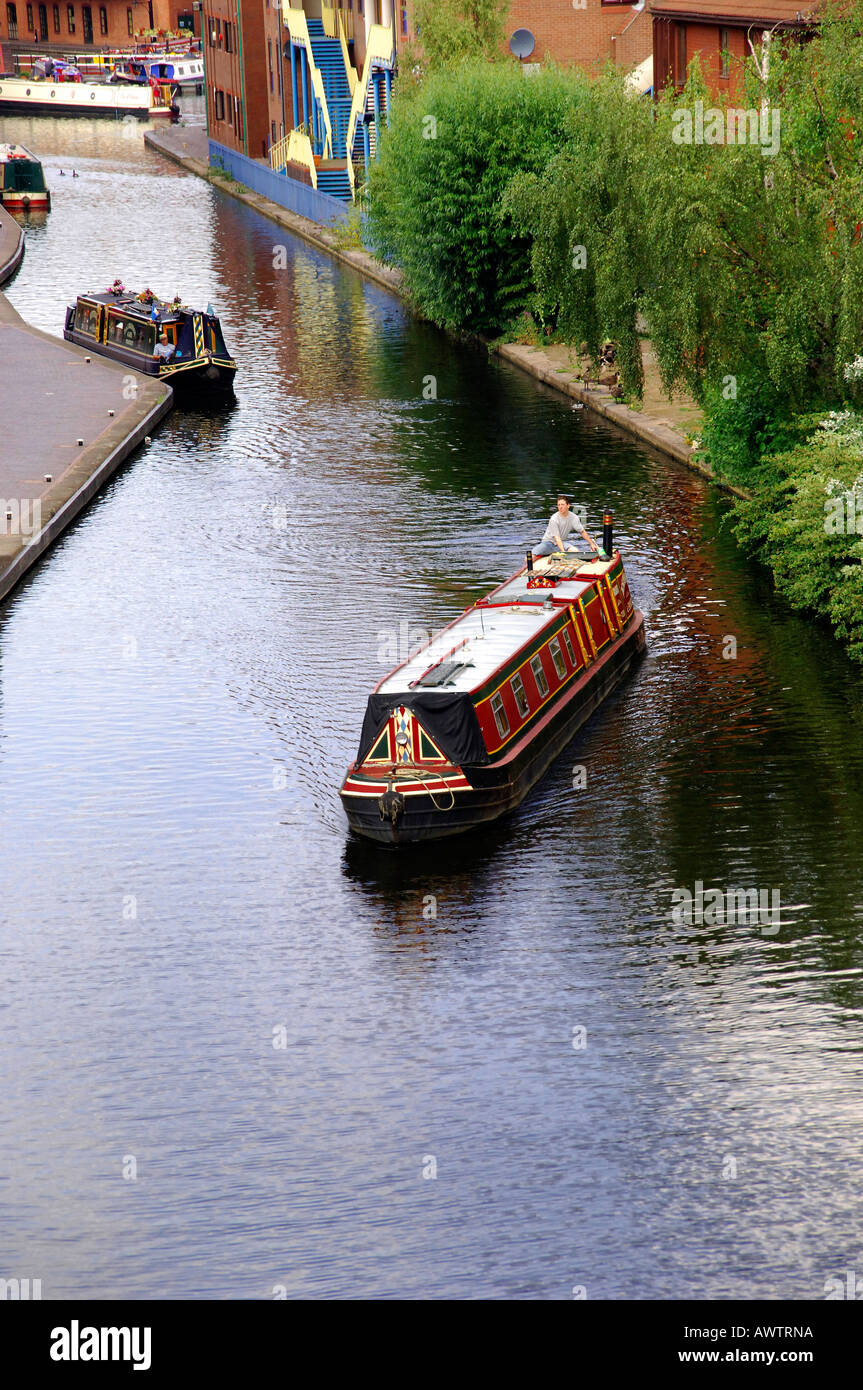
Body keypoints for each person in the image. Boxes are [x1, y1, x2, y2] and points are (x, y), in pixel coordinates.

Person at [534, 495, 599, 557]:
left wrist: (591, 543)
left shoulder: (574, 517)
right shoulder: (554, 519)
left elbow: (582, 532)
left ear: (568, 506)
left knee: (575, 551)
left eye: (562, 504)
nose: (560, 507)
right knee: (531, 555)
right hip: (548, 543)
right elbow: (557, 538)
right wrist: (563, 552)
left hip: (560, 543)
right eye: (558, 505)